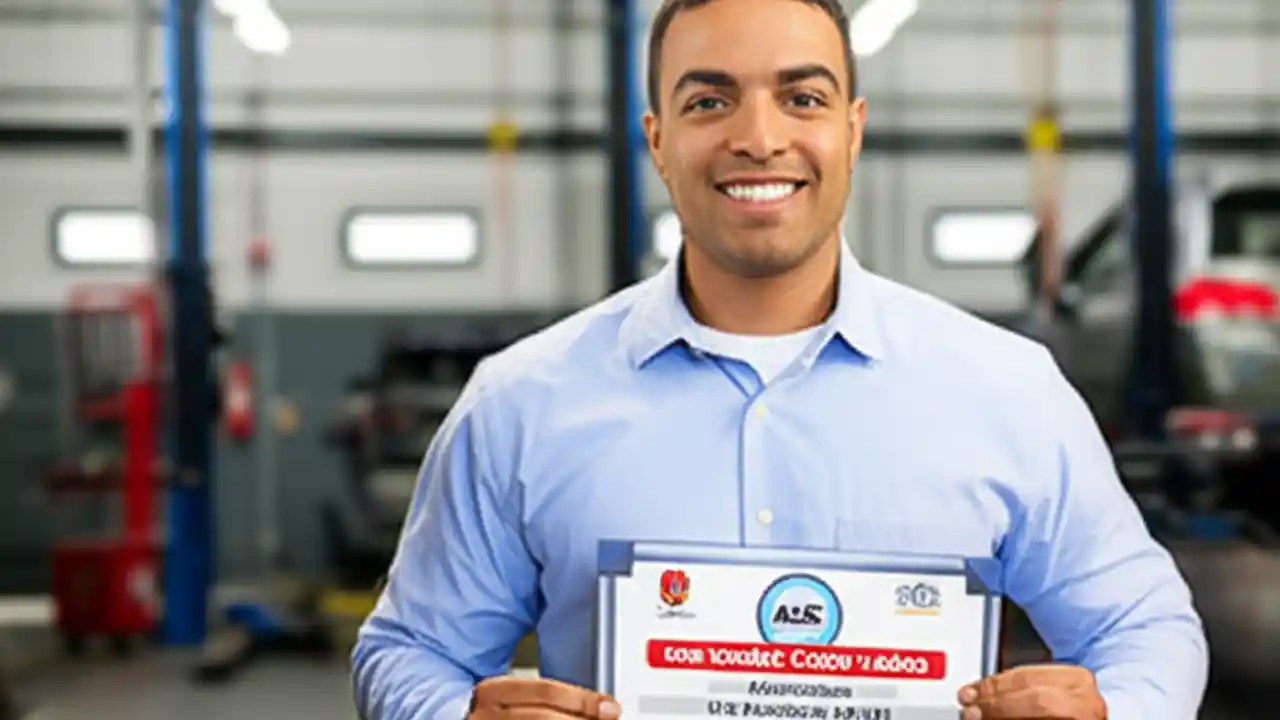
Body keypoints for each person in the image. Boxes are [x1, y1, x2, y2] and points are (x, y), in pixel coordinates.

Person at [352, 0, 1209, 718]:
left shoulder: (1007, 392)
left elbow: (1147, 628)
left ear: (852, 130)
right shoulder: (521, 404)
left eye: (802, 98)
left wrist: (1114, 711)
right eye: (709, 101)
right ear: (657, 140)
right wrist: (456, 715)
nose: (759, 138)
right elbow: (410, 649)